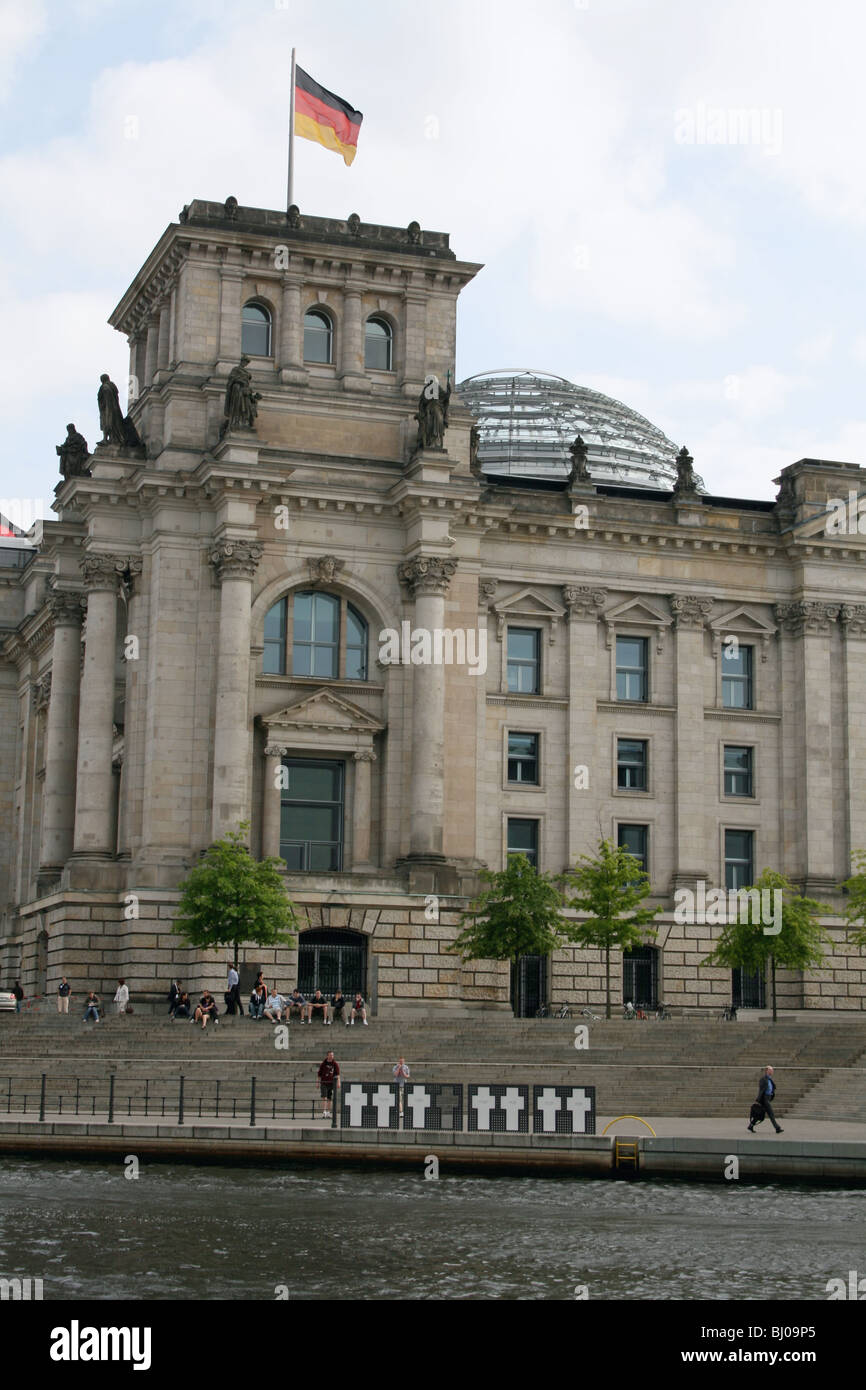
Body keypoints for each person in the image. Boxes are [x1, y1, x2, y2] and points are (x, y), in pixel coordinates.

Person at [749, 1065, 783, 1134]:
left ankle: (751, 1126)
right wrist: (759, 1099)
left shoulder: (769, 1079)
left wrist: (772, 1093)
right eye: (771, 1070)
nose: (772, 1071)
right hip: (764, 1099)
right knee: (771, 1114)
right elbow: (761, 1090)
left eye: (772, 1070)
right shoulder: (763, 1079)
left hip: (768, 1098)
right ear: (767, 1071)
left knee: (760, 1114)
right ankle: (777, 1128)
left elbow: (771, 1088)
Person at [317, 1051, 340, 1120]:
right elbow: (319, 1075)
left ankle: (328, 1112)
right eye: (330, 1055)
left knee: (329, 1098)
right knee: (324, 1097)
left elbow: (337, 1074)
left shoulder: (335, 1064)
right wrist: (318, 1083)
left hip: (331, 1083)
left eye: (332, 1055)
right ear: (327, 1056)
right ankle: (324, 1111)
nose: (331, 1056)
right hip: (324, 1082)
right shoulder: (323, 1064)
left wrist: (338, 1082)